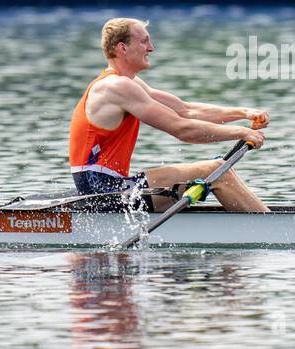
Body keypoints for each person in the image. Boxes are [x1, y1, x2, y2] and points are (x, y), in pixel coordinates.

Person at [69, 18, 269, 211]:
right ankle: (270, 231)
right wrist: (241, 133)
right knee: (216, 170)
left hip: (108, 188)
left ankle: (260, 223)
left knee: (220, 169)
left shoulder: (129, 83)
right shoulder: (116, 86)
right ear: (123, 48)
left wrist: (244, 113)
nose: (151, 48)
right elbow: (182, 129)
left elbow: (186, 110)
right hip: (101, 192)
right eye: (144, 41)